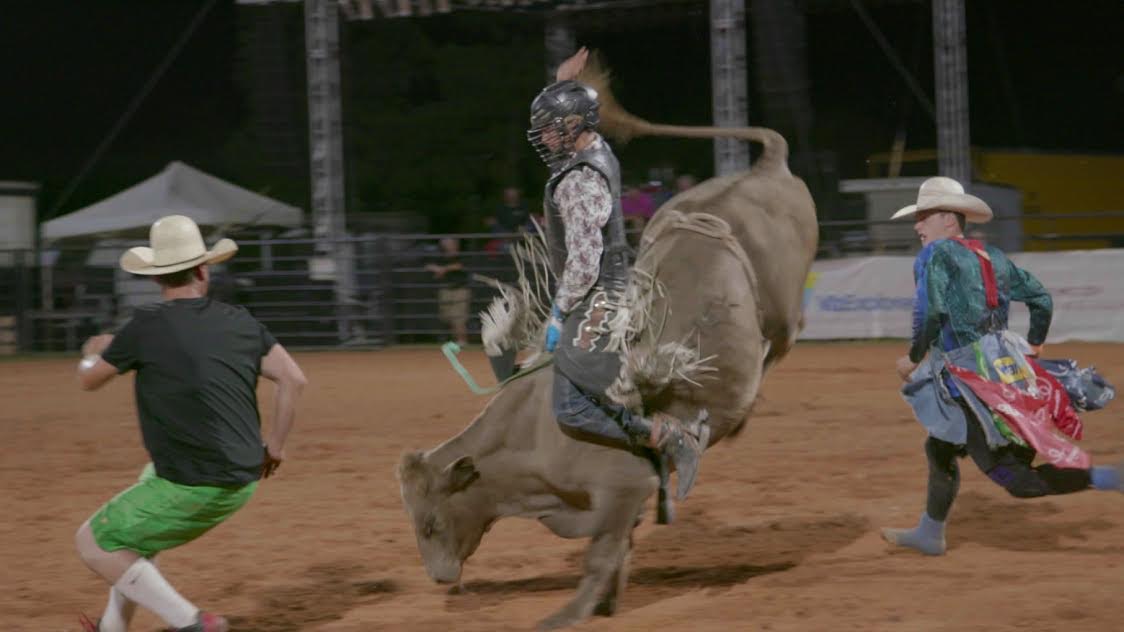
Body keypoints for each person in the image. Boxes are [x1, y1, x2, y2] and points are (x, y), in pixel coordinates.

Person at [74, 215, 307, 631]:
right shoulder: (240, 320)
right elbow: (293, 379)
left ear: (157, 278)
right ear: (203, 269)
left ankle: (192, 622)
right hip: (241, 476)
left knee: (92, 542)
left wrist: (93, 351)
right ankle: (113, 628)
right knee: (139, 530)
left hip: (193, 481)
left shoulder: (146, 325)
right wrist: (275, 446)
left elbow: (89, 380)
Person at [880, 177, 1122, 556]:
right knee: (940, 447)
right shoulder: (992, 256)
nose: (917, 225)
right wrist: (1036, 344)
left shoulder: (935, 255)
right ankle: (931, 532)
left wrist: (912, 358)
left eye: (924, 216)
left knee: (1017, 480)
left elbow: (930, 312)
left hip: (970, 381)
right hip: (1009, 372)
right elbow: (1041, 298)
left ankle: (1109, 476)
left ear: (947, 218)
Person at [527, 47, 708, 508]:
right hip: (609, 288)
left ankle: (671, 439)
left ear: (573, 127)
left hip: (597, 296)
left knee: (569, 406)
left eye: (551, 127)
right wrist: (558, 85)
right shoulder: (596, 151)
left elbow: (584, 262)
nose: (544, 136)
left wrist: (558, 312)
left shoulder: (577, 179)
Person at [426, 237, 471, 346]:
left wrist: (443, 269)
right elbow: (428, 266)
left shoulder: (461, 256)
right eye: (445, 244)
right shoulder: (441, 257)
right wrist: (437, 269)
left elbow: (459, 266)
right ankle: (456, 340)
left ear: (456, 244)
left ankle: (462, 341)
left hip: (460, 290)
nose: (448, 246)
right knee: (448, 316)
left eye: (450, 243)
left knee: (459, 316)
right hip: (445, 290)